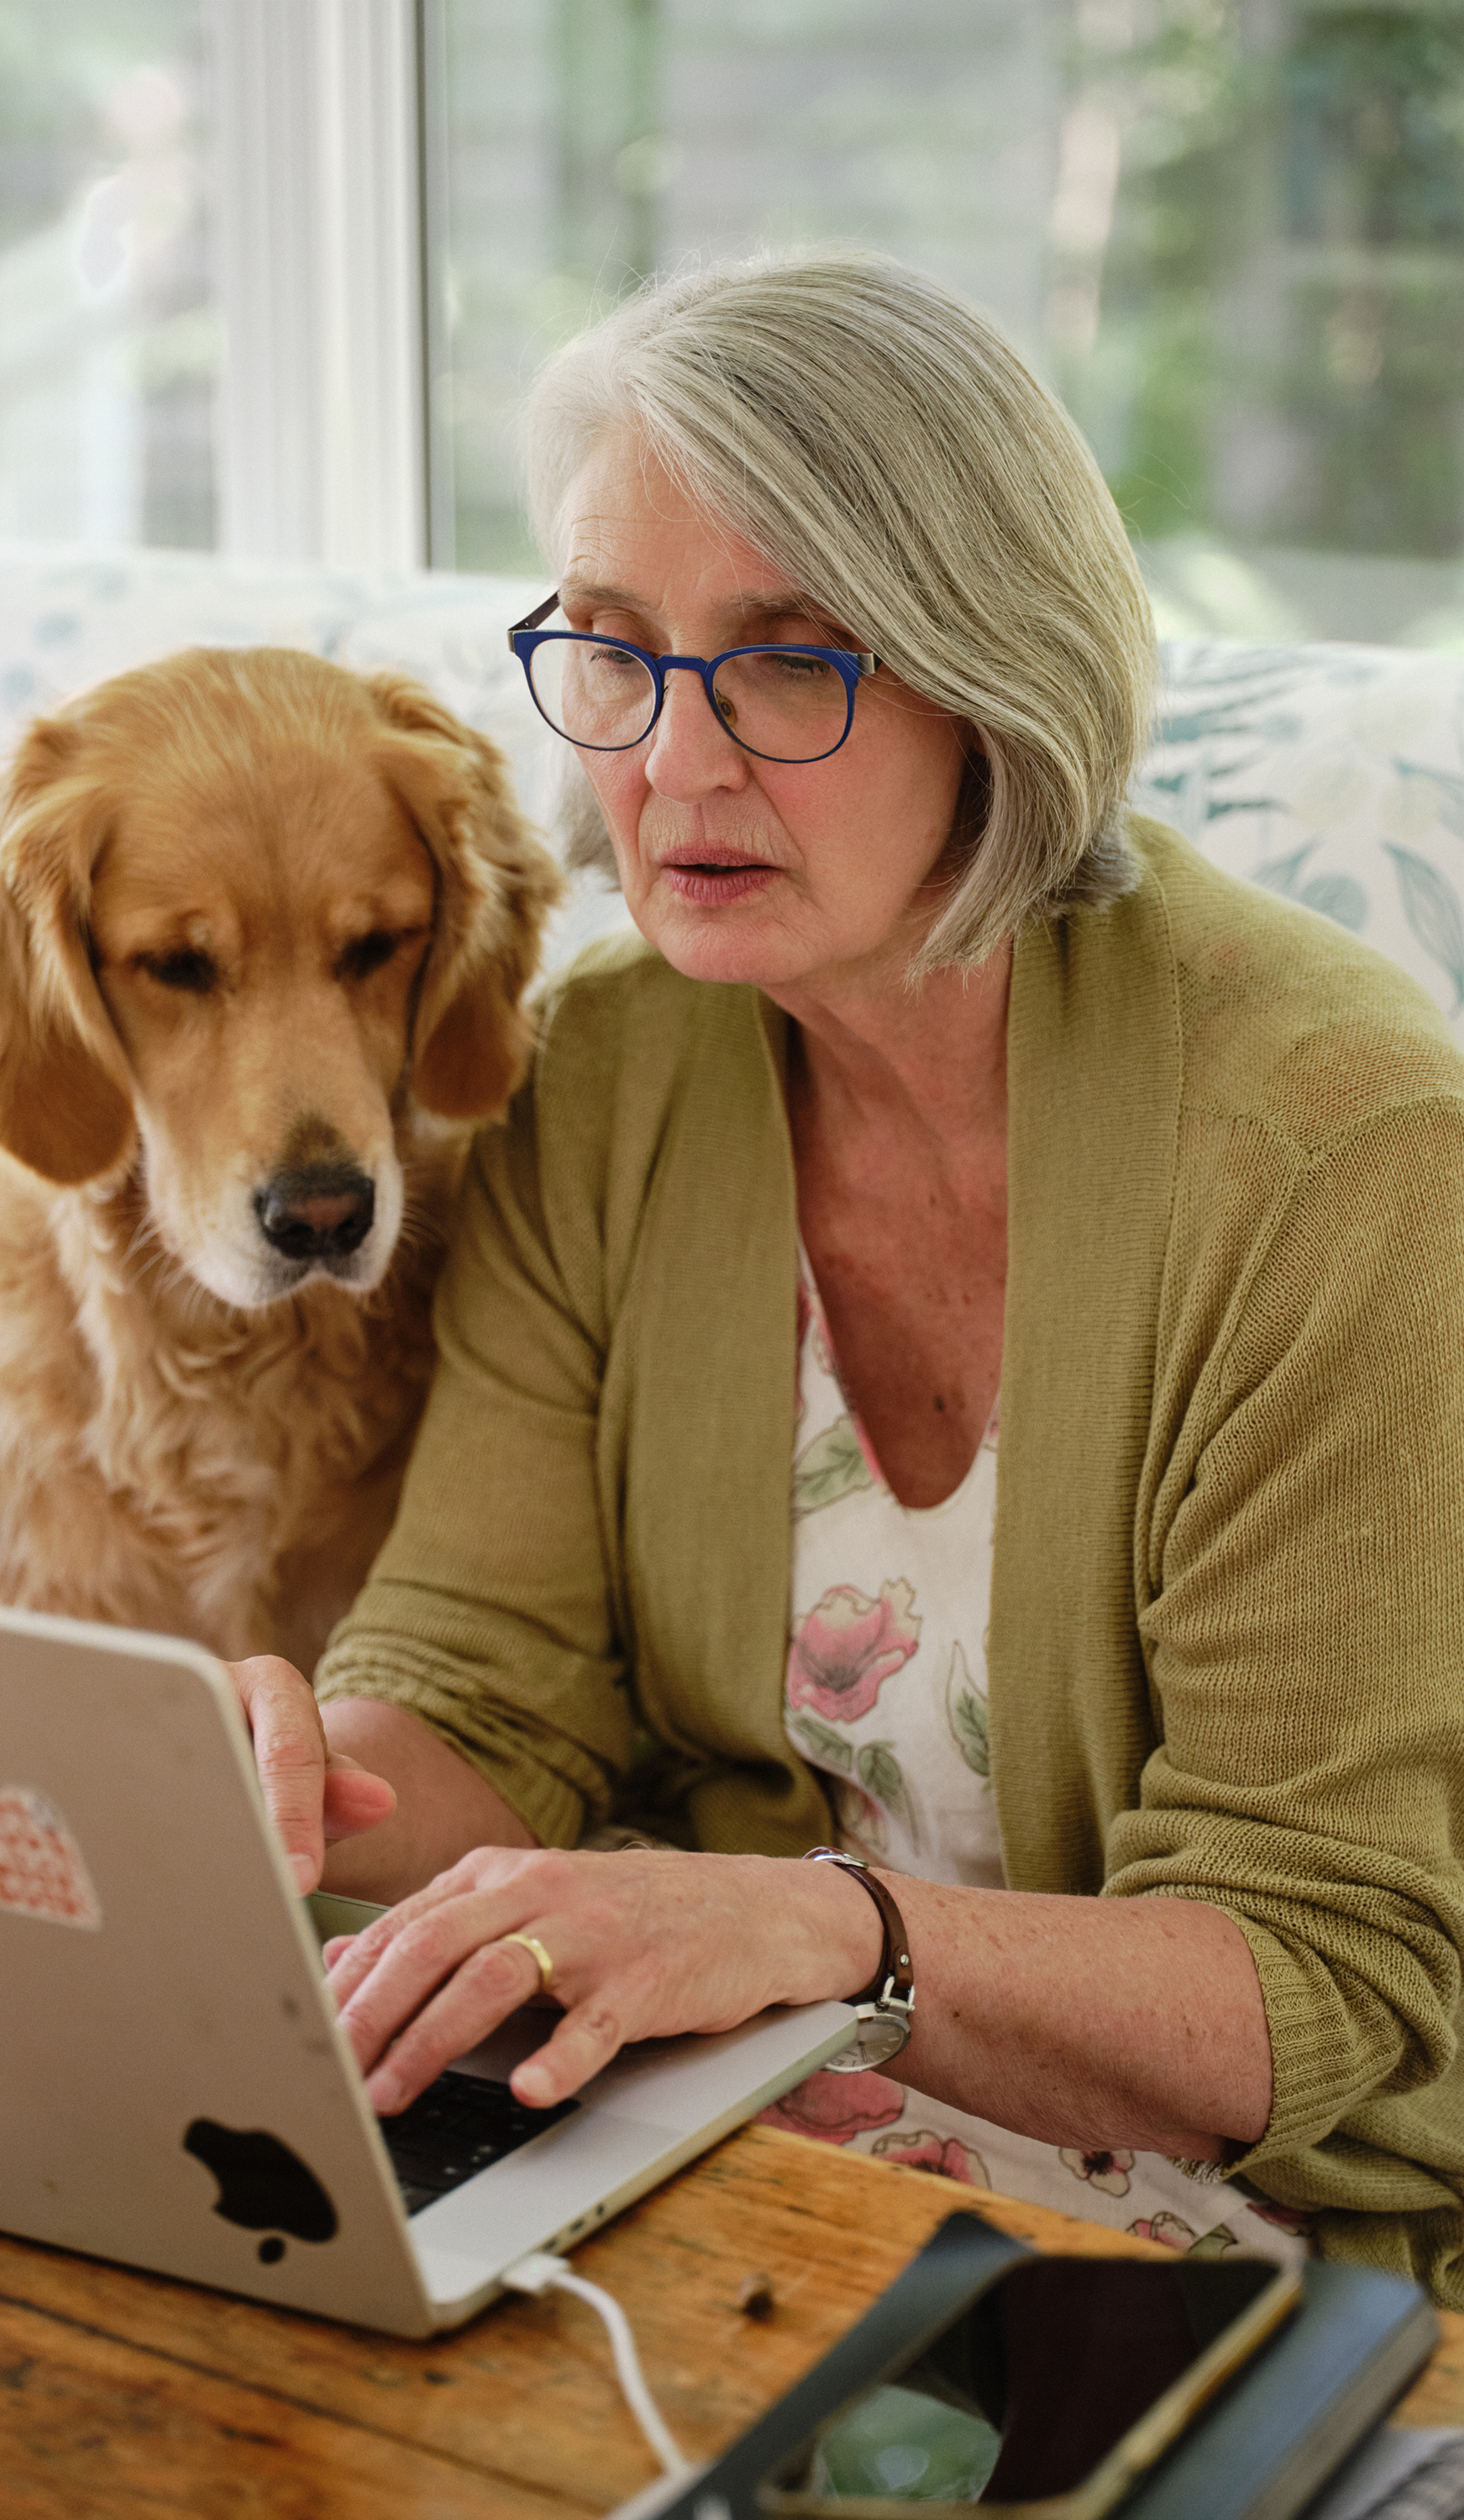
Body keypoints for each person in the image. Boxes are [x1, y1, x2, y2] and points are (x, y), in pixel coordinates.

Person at [225, 253, 1464, 2294]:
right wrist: (290, 1781)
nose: (673, 769)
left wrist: (815, 1928)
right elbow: (483, 1692)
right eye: (613, 652)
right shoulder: (604, 1064)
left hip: (1257, 2239)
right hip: (735, 2127)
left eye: (794, 662)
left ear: (997, 672)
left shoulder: (1342, 1159)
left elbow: (1313, 1974)